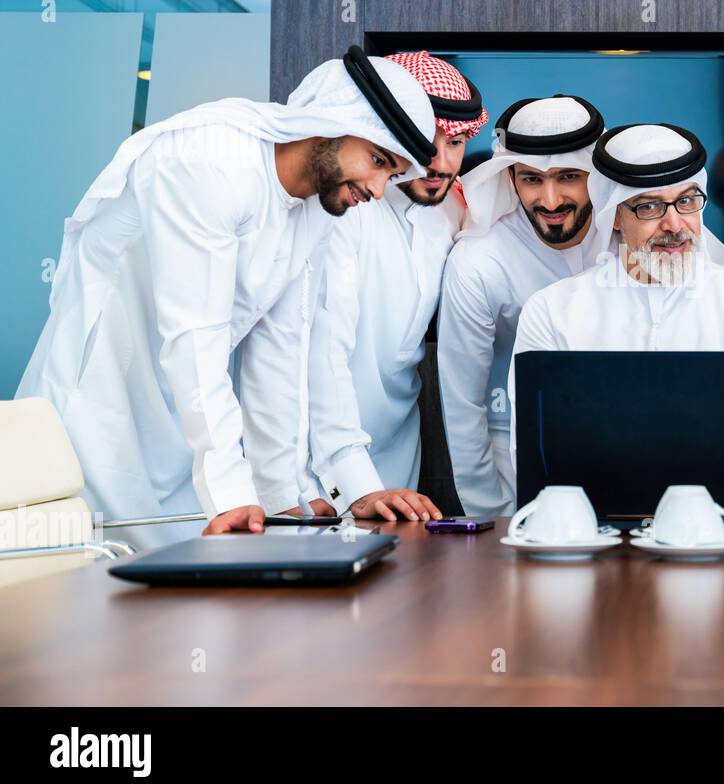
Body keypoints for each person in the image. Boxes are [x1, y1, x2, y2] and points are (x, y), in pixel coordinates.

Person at [17, 48, 439, 537]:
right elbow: (195, 339)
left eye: (392, 173)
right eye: (378, 161)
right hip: (96, 416)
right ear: (331, 123)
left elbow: (280, 351)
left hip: (183, 433)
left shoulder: (314, 210)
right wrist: (231, 492)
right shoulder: (207, 161)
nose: (379, 188)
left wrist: (283, 497)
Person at [510, 123, 724, 504]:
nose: (674, 224)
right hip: (602, 546)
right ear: (615, 216)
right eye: (650, 206)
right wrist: (708, 445)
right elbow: (537, 462)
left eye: (686, 201)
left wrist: (631, 450)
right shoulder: (552, 313)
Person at [307, 53, 490, 523]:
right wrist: (354, 479)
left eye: (455, 144)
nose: (439, 163)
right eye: (422, 142)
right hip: (311, 461)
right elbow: (323, 349)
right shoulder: (345, 206)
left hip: (396, 460)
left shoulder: (453, 212)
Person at [437, 94, 606, 515]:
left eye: (568, 176)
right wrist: (487, 513)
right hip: (514, 451)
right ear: (510, 178)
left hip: (630, 444)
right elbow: (463, 402)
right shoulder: (478, 261)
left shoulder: (634, 229)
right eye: (531, 179)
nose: (549, 201)